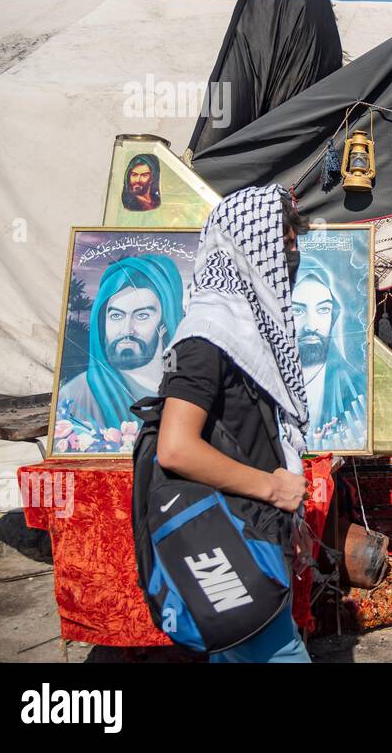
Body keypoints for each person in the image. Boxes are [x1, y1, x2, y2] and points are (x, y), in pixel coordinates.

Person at [155, 184, 313, 663]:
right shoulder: (207, 336)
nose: (291, 255)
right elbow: (175, 448)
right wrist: (272, 488)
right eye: (281, 243)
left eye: (291, 243)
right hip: (230, 544)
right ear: (246, 247)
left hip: (254, 538)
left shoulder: (242, 330)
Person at [57, 254, 183, 445]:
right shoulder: (76, 396)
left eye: (141, 315)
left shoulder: (189, 389)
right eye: (116, 316)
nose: (126, 330)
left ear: (164, 322)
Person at [291, 261, 363, 446]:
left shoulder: (356, 388)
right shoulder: (260, 381)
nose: (311, 325)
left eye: (323, 309)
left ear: (333, 316)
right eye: (297, 311)